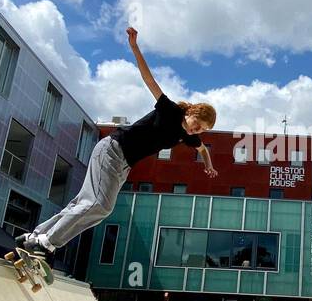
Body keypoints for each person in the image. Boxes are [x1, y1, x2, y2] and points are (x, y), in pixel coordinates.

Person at [17, 27, 216, 256]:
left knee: (84, 205)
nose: (196, 131)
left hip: (122, 165)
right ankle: (46, 242)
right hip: (113, 149)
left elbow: (203, 150)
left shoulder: (187, 137)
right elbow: (149, 79)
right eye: (198, 124)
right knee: (99, 205)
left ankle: (35, 236)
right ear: (191, 112)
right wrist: (134, 47)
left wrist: (208, 165)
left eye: (202, 130)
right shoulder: (169, 110)